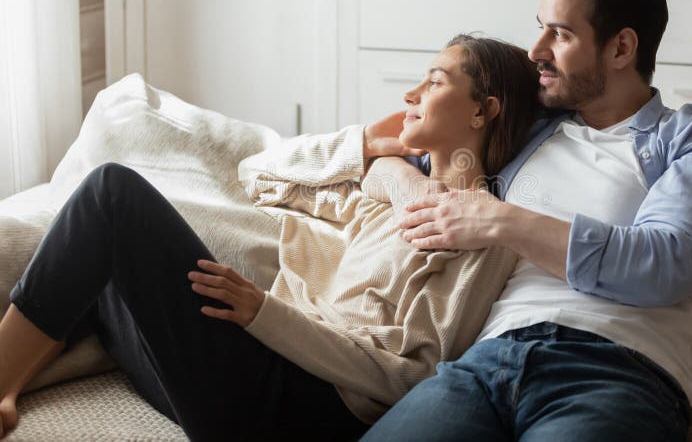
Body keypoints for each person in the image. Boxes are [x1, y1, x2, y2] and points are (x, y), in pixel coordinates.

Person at [0, 34, 540, 440]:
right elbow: (259, 174)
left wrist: (265, 314)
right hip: (257, 376)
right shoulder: (384, 194)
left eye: (436, 80)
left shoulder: (487, 231)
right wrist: (372, 152)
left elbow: (411, 376)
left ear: (483, 110)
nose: (411, 92)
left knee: (111, 194)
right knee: (100, 261)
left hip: (304, 407)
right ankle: (11, 386)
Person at [361, 0, 692, 441]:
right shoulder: (526, 129)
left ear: (621, 49)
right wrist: (410, 187)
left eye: (561, 34)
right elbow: (389, 155)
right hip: (485, 362)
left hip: (618, 372)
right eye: (541, 27)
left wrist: (501, 220)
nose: (535, 51)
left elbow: (665, 263)